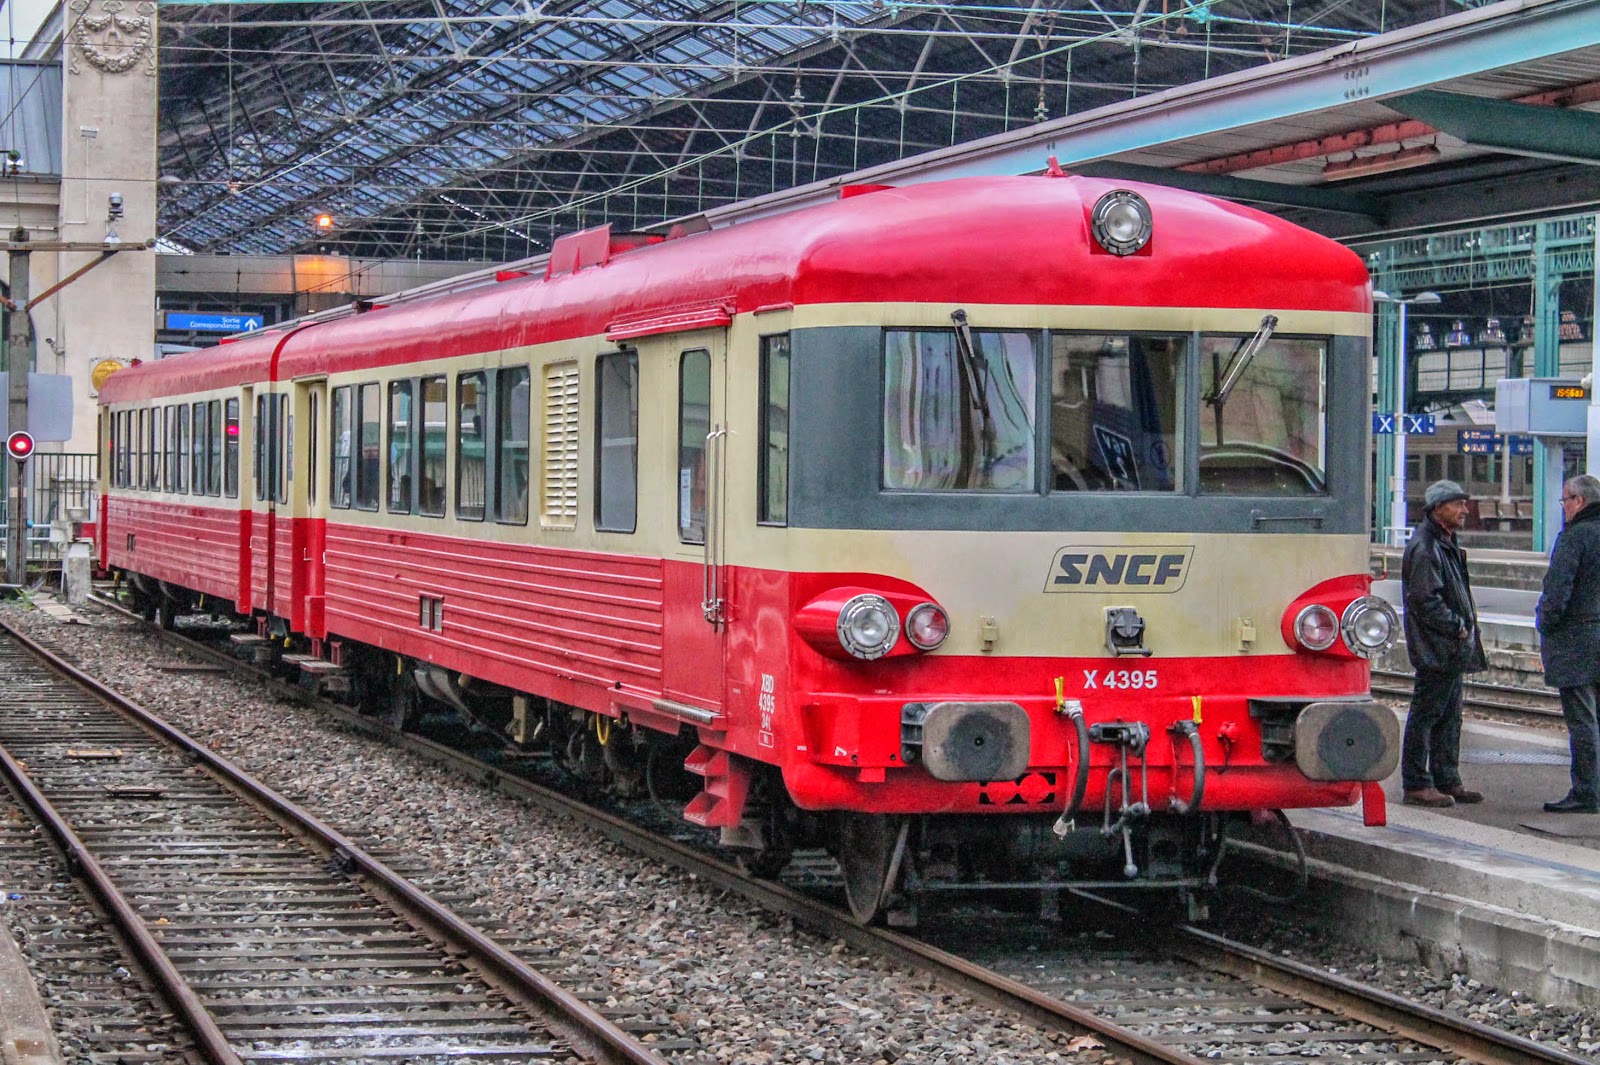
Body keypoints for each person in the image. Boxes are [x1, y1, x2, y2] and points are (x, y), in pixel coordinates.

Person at [1400, 479, 1488, 808]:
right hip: (1437, 647)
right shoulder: (1427, 547)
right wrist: (1458, 627)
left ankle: (1447, 779)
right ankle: (1417, 783)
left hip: (1448, 648)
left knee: (1449, 716)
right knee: (1427, 716)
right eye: (1458, 504)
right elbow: (1425, 600)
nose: (1465, 509)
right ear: (1439, 508)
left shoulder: (1444, 542)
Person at [1535, 474, 1600, 814]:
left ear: (1579, 501)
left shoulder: (1575, 537)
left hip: (1577, 640)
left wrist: (1544, 623)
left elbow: (1558, 591)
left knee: (1583, 720)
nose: (1564, 507)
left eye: (1565, 501)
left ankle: (1587, 792)